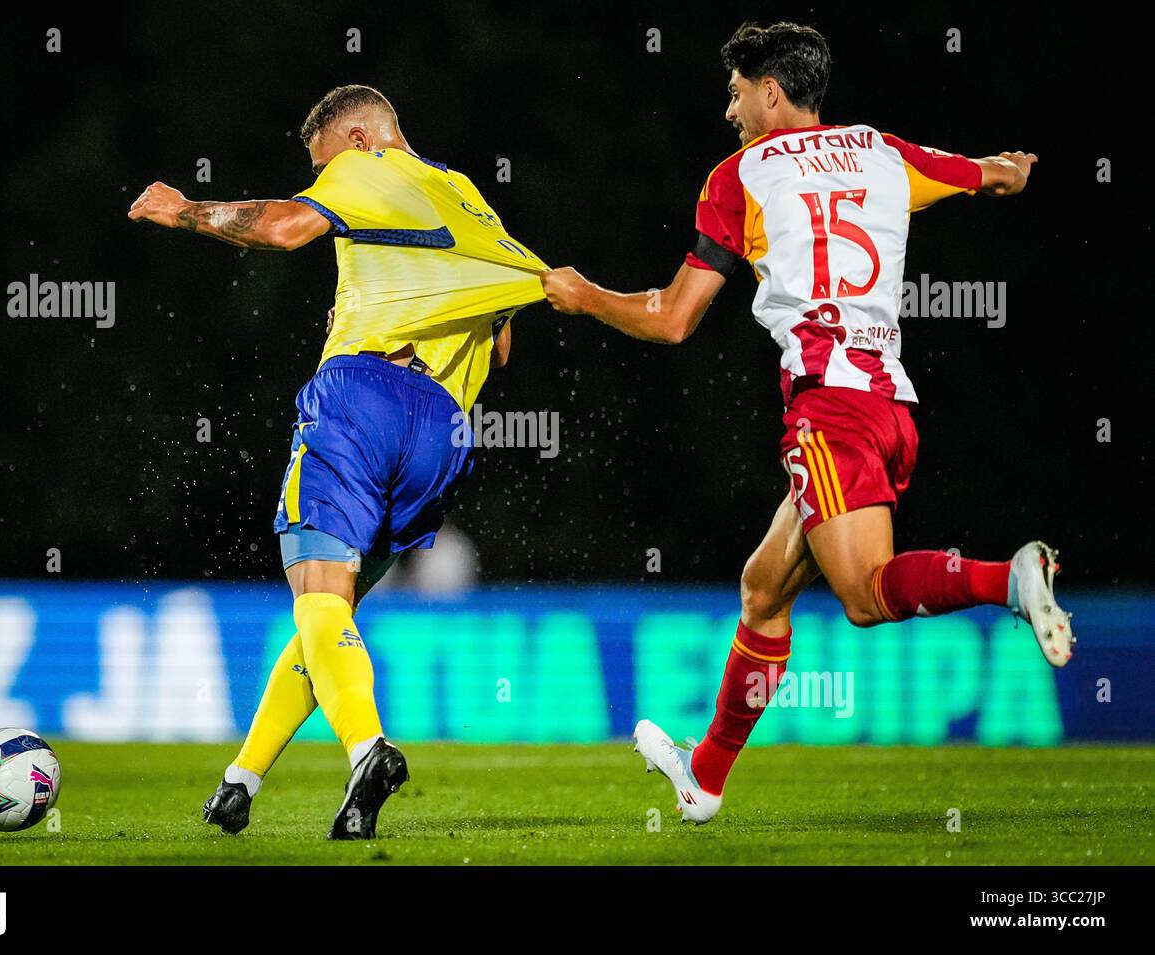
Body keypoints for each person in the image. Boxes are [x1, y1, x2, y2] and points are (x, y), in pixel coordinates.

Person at [540, 21, 1073, 824]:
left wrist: (587, 298)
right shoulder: (881, 150)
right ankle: (706, 778)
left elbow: (674, 318)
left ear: (771, 91)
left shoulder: (739, 176)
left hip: (829, 409)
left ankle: (1011, 579)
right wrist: (1015, 168)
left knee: (863, 594)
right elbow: (992, 177)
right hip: (888, 401)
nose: (729, 112)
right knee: (763, 591)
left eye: (734, 93)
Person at [130, 84, 546, 838]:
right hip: (444, 432)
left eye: (324, 165)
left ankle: (368, 749)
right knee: (331, 611)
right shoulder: (465, 199)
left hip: (364, 397)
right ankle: (240, 780)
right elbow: (502, 342)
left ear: (358, 138)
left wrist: (184, 210)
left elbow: (288, 228)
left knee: (316, 592)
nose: (326, 181)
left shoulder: (366, 167)